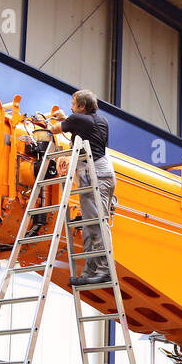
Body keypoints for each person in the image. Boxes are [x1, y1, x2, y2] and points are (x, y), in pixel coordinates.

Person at [53, 89, 114, 287]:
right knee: (90, 223)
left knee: (96, 221)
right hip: (101, 170)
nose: (71, 106)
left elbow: (56, 128)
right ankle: (90, 270)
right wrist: (68, 118)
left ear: (82, 106)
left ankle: (104, 269)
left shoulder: (79, 120)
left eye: (73, 103)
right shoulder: (99, 120)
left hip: (94, 173)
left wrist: (51, 121)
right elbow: (78, 126)